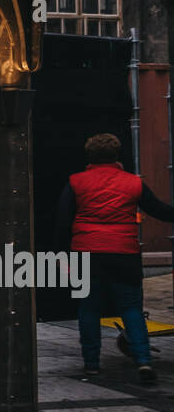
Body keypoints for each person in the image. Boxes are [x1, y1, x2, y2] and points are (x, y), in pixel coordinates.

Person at [56, 132, 174, 384]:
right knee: (131, 309)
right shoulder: (133, 183)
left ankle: (91, 365)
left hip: (86, 253)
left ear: (89, 155)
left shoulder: (76, 182)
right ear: (117, 155)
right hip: (124, 254)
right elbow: (159, 210)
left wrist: (62, 255)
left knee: (88, 308)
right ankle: (143, 361)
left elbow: (62, 221)